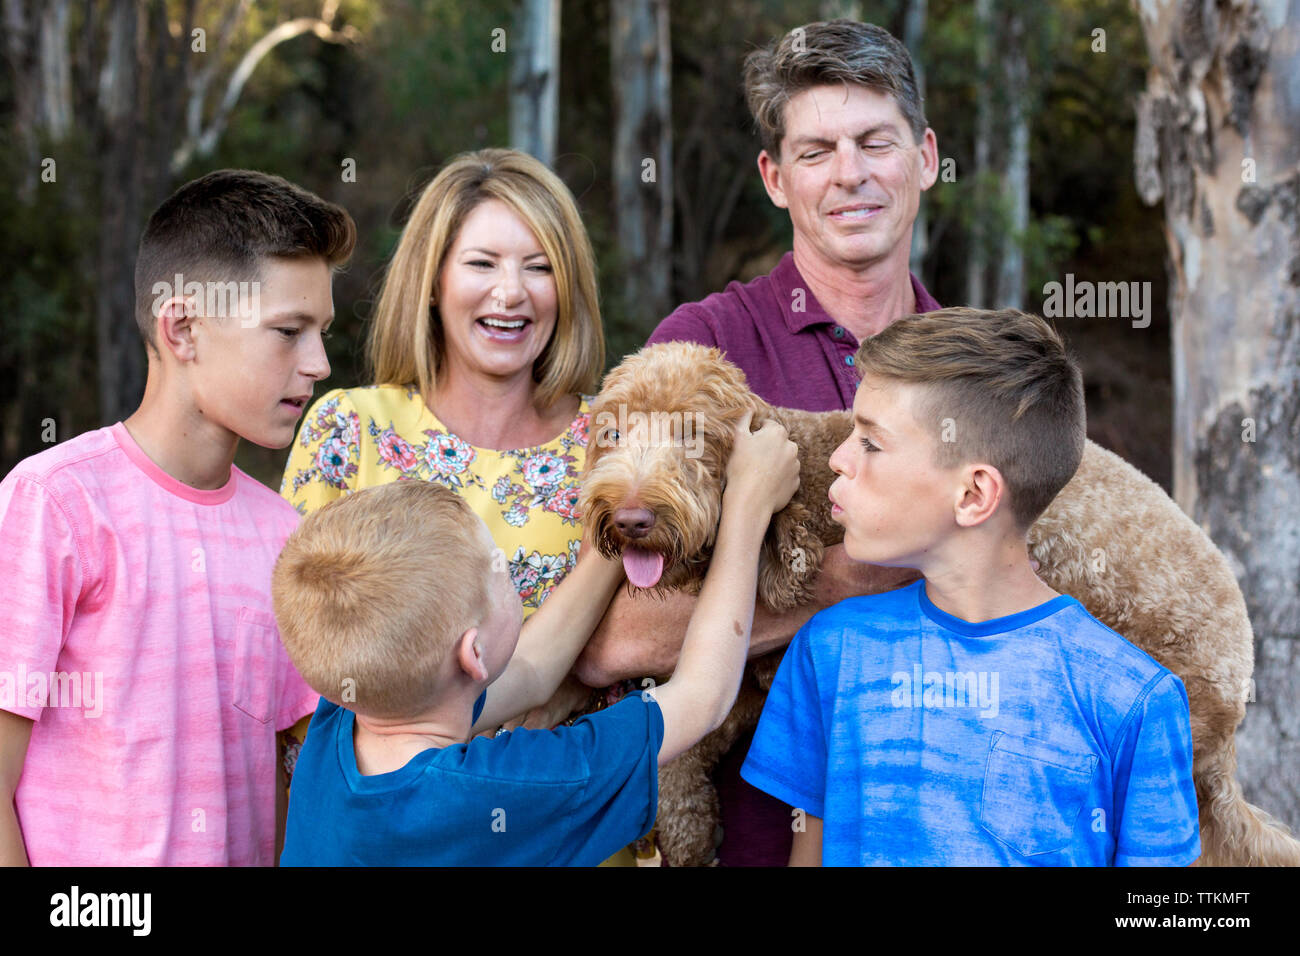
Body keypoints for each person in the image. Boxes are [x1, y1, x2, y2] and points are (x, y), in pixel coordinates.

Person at [574, 19, 937, 865]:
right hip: (758, 835)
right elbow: (615, 641)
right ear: (776, 178)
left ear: (923, 156)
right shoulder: (702, 348)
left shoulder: (980, 363)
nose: (849, 175)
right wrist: (872, 572)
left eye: (873, 142)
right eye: (816, 152)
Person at [742, 307, 1201, 866]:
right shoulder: (830, 651)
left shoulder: (1132, 700)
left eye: (870, 442)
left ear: (973, 495)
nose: (838, 459)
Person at [0, 169, 351, 865]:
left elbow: (292, 783)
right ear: (183, 328)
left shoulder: (289, 538)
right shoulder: (54, 504)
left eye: (323, 331)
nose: (319, 362)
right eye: (289, 330)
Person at [275, 412, 799, 866]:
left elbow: (531, 666)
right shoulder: (517, 787)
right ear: (473, 653)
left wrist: (617, 538)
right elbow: (700, 700)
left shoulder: (341, 721)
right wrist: (747, 510)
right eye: (500, 570)